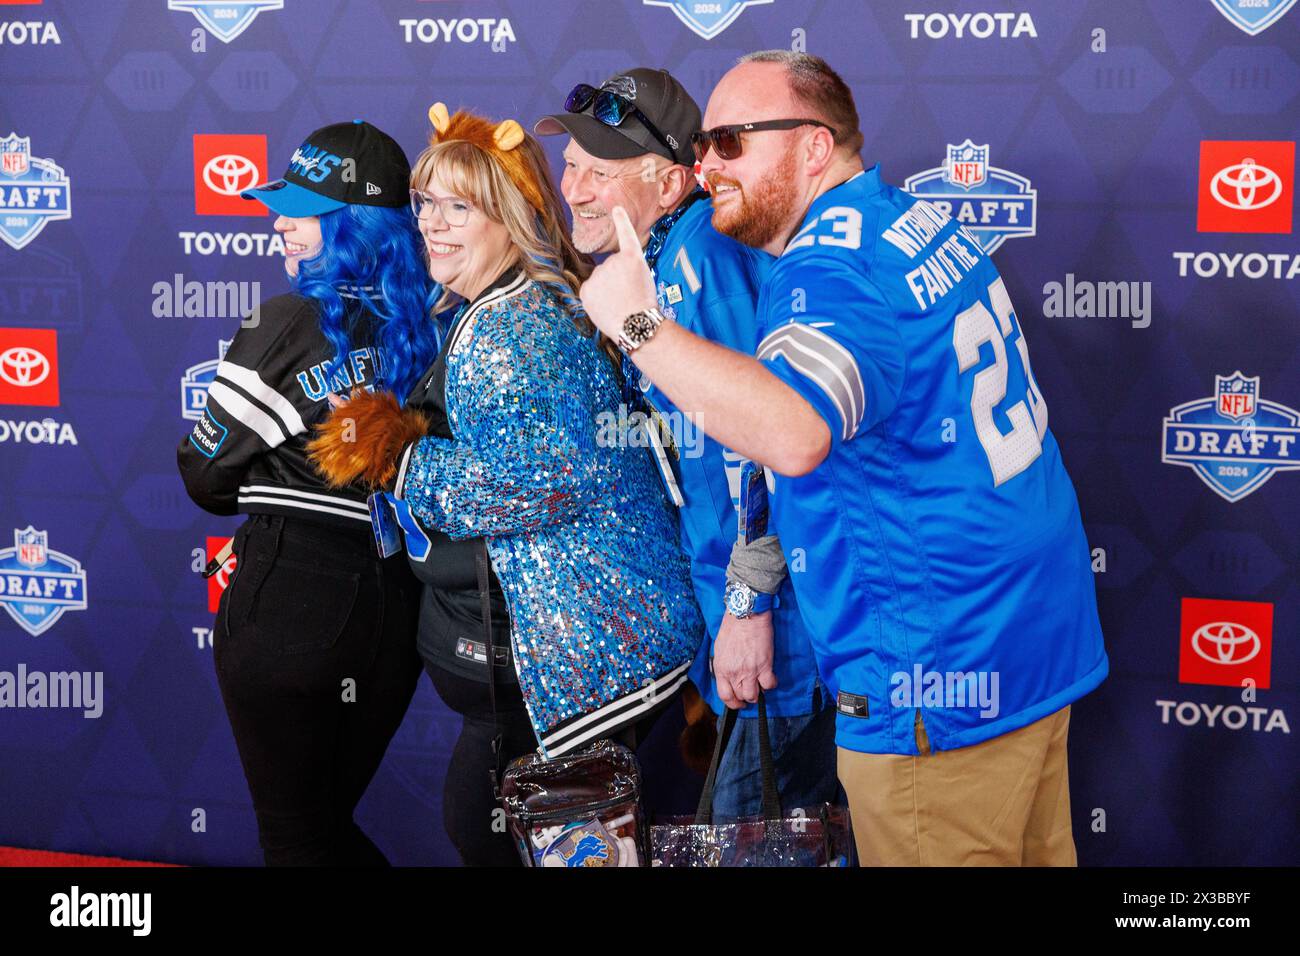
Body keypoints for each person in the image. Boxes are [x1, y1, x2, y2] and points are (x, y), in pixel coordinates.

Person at [578, 51, 1108, 866]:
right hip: (1026, 638)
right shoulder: (909, 219)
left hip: (939, 671)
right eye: (704, 146)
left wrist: (637, 326)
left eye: (730, 143)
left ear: (814, 147)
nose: (705, 164)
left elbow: (792, 432)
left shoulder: (829, 268)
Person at [308, 104, 703, 780]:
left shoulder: (511, 329)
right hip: (585, 644)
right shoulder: (497, 304)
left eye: (457, 208)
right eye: (424, 202)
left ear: (510, 217)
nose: (430, 222)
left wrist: (395, 453)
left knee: (515, 837)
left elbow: (536, 480)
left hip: (583, 652)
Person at [535, 68, 838, 818]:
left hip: (784, 629)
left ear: (670, 186)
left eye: (598, 173)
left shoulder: (702, 260)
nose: (571, 189)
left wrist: (746, 609)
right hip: (739, 609)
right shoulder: (656, 261)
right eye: (570, 165)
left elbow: (765, 439)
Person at [176, 120, 438, 865]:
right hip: (400, 613)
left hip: (292, 600)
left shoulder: (285, 320)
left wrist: (270, 479)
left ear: (353, 224)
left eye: (302, 208)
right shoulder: (443, 319)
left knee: (297, 839)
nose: (277, 219)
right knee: (318, 832)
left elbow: (203, 475)